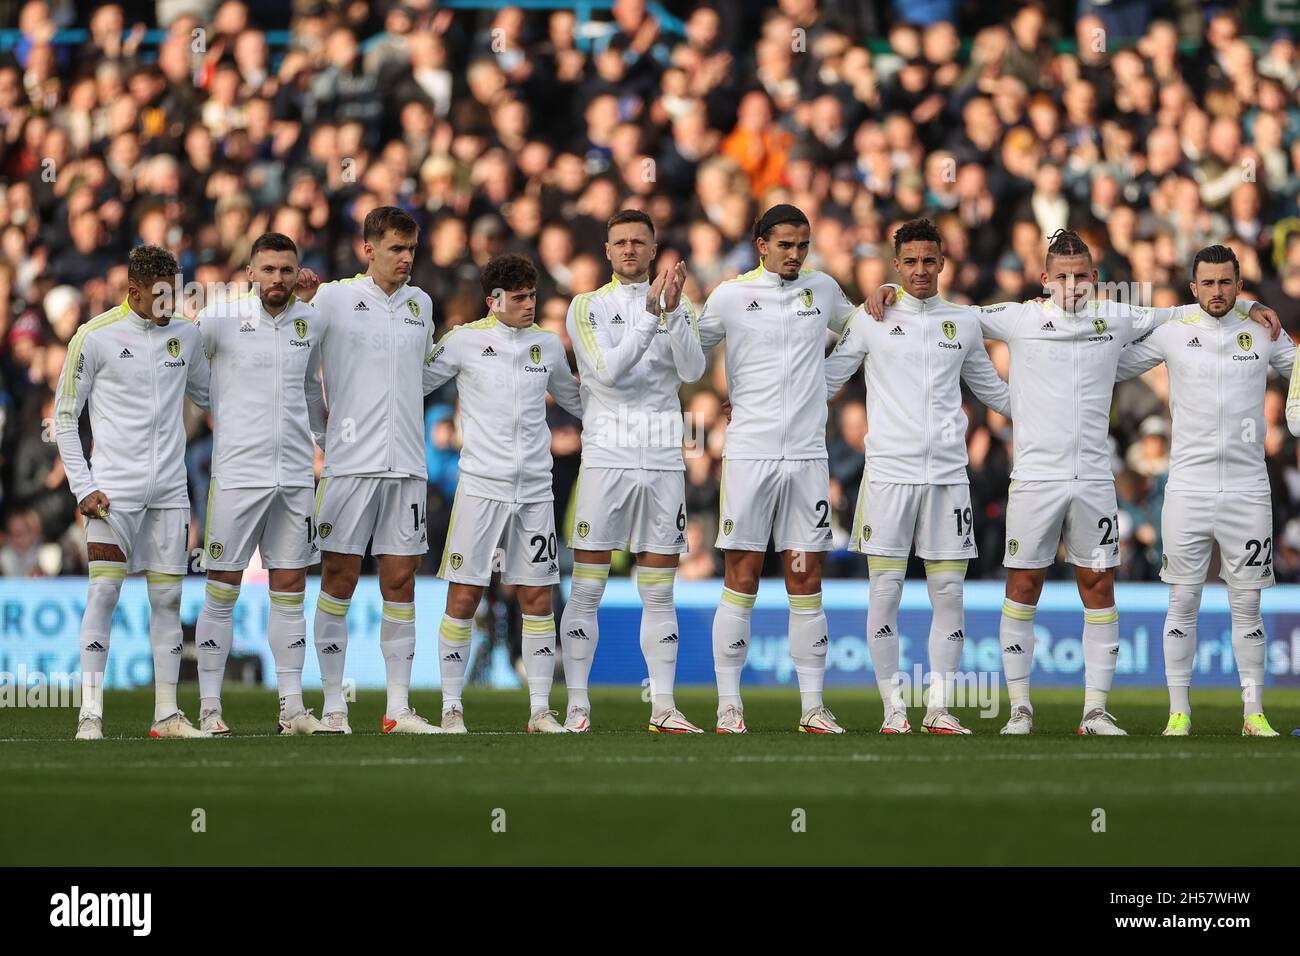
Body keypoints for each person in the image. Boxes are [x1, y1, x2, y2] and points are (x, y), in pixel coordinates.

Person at [865, 228, 1280, 734]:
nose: (1073, 285)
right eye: (1063, 277)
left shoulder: (1117, 316)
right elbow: (944, 314)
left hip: (1094, 480)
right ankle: (1020, 709)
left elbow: (1195, 311)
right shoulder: (1017, 317)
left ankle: (1095, 711)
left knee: (1099, 585)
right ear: (1045, 279)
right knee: (1023, 584)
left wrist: (1251, 302)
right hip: (1034, 479)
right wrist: (893, 293)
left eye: (1082, 276)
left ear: (1096, 279)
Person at [825, 219, 1011, 734]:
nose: (921, 270)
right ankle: (893, 710)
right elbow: (826, 380)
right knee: (885, 591)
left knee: (948, 594)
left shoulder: (964, 322)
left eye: (929, 260)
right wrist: (756, 405)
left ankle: (939, 708)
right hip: (887, 475)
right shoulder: (871, 320)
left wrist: (1053, 412)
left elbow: (994, 393)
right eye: (910, 262)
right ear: (896, 266)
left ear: (943, 262)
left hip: (949, 476)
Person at [1116, 245, 1297, 737]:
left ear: (1239, 284)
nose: (1217, 292)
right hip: (1188, 488)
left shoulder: (1262, 330)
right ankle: (1179, 713)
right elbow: (1113, 363)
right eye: (1208, 283)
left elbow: (1297, 361)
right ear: (1193, 288)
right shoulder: (1173, 333)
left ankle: (1253, 714)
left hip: (1248, 489)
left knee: (1248, 604)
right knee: (1183, 600)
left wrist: (1294, 415)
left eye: (1225, 283)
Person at [695, 204, 857, 733]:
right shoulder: (730, 295)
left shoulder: (825, 289)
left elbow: (865, 331)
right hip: (749, 454)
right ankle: (728, 706)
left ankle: (812, 707)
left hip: (809, 456)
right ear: (761, 244)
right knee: (741, 575)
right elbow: (687, 356)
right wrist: (708, 402)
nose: (794, 254)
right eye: (785, 244)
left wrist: (825, 383)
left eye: (802, 245)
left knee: (806, 578)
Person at [54, 244, 210, 739]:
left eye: (175, 293)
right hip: (111, 494)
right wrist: (84, 485)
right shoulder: (94, 337)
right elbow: (63, 418)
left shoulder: (186, 335)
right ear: (133, 291)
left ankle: (166, 715)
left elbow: (212, 397)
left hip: (169, 492)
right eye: (159, 296)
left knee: (167, 601)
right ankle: (90, 714)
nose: (169, 305)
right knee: (104, 593)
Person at [559, 208, 706, 734]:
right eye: (619, 241)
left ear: (652, 248)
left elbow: (693, 370)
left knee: (661, 590)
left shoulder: (677, 303)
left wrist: (668, 313)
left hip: (664, 459)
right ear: (607, 250)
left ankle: (663, 707)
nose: (628, 249)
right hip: (607, 459)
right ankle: (577, 707)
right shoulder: (586, 306)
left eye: (637, 242)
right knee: (587, 588)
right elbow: (607, 371)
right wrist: (650, 314)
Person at [426, 253, 584, 733]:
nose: (529, 305)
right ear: (493, 302)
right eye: (518, 298)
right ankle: (451, 706)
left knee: (537, 596)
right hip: (480, 488)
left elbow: (576, 399)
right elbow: (410, 383)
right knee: (465, 594)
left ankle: (539, 709)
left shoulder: (548, 346)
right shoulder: (461, 343)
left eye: (532, 295)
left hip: (535, 489)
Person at [192, 232, 335, 736]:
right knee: (222, 587)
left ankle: (292, 709)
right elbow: (189, 370)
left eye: (286, 269)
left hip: (296, 476)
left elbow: (310, 391)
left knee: (291, 588)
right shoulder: (220, 319)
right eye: (269, 269)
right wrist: (222, 408)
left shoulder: (310, 320)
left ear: (298, 273)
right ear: (250, 272)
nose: (278, 278)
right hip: (237, 475)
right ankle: (210, 709)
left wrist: (327, 441)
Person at [309, 206, 440, 735]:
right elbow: (299, 368)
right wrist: (323, 435)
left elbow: (422, 376)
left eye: (411, 249)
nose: (406, 259)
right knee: (338, 578)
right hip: (349, 468)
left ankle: (397, 709)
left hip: (407, 465)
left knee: (401, 582)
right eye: (395, 249)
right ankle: (334, 707)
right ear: (369, 249)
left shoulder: (422, 305)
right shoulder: (333, 298)